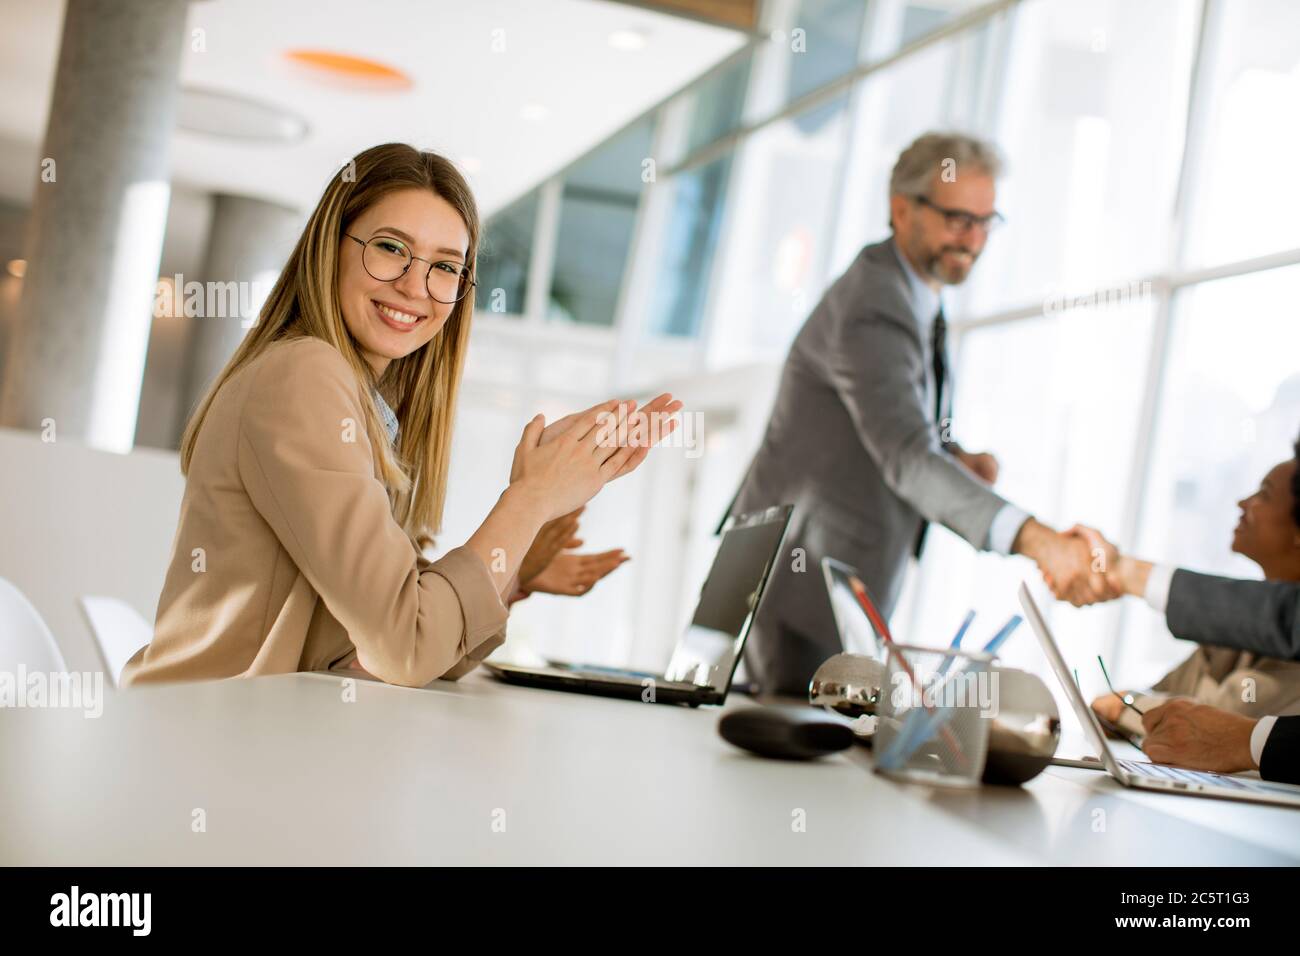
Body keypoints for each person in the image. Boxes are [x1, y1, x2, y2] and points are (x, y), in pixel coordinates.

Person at [122, 143, 679, 688]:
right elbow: (406, 647)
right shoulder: (305, 375)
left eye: (445, 267)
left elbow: (425, 645)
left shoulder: (362, 400)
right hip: (200, 751)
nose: (416, 286)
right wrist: (529, 500)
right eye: (390, 248)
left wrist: (516, 566)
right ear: (330, 246)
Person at [720, 131, 1110, 695]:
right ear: (901, 209)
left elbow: (886, 423)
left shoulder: (912, 292)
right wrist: (1037, 540)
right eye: (957, 219)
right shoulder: (875, 300)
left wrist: (953, 455)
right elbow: (904, 454)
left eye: (985, 222)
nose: (972, 240)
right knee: (778, 758)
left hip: (824, 573)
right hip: (799, 586)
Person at [1080, 441, 1300, 735]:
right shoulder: (1238, 621)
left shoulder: (1290, 634)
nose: (1243, 502)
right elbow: (1165, 691)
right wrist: (1129, 709)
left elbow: (1227, 721)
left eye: (1264, 494)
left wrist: (1126, 708)